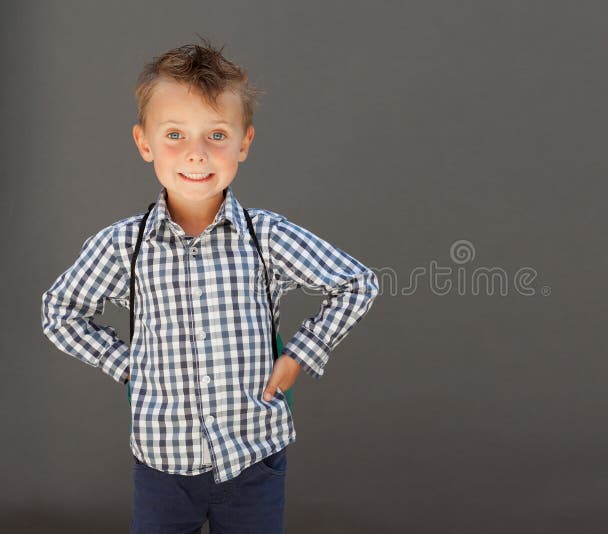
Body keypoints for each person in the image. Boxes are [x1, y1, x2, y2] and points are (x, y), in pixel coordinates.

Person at [40, 36, 380, 533]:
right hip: (162, 462)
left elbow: (356, 283)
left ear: (244, 142)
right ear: (144, 143)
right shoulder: (124, 245)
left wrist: (301, 354)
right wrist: (127, 364)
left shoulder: (267, 237)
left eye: (216, 135)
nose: (196, 154)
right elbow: (60, 312)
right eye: (175, 134)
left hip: (253, 456)